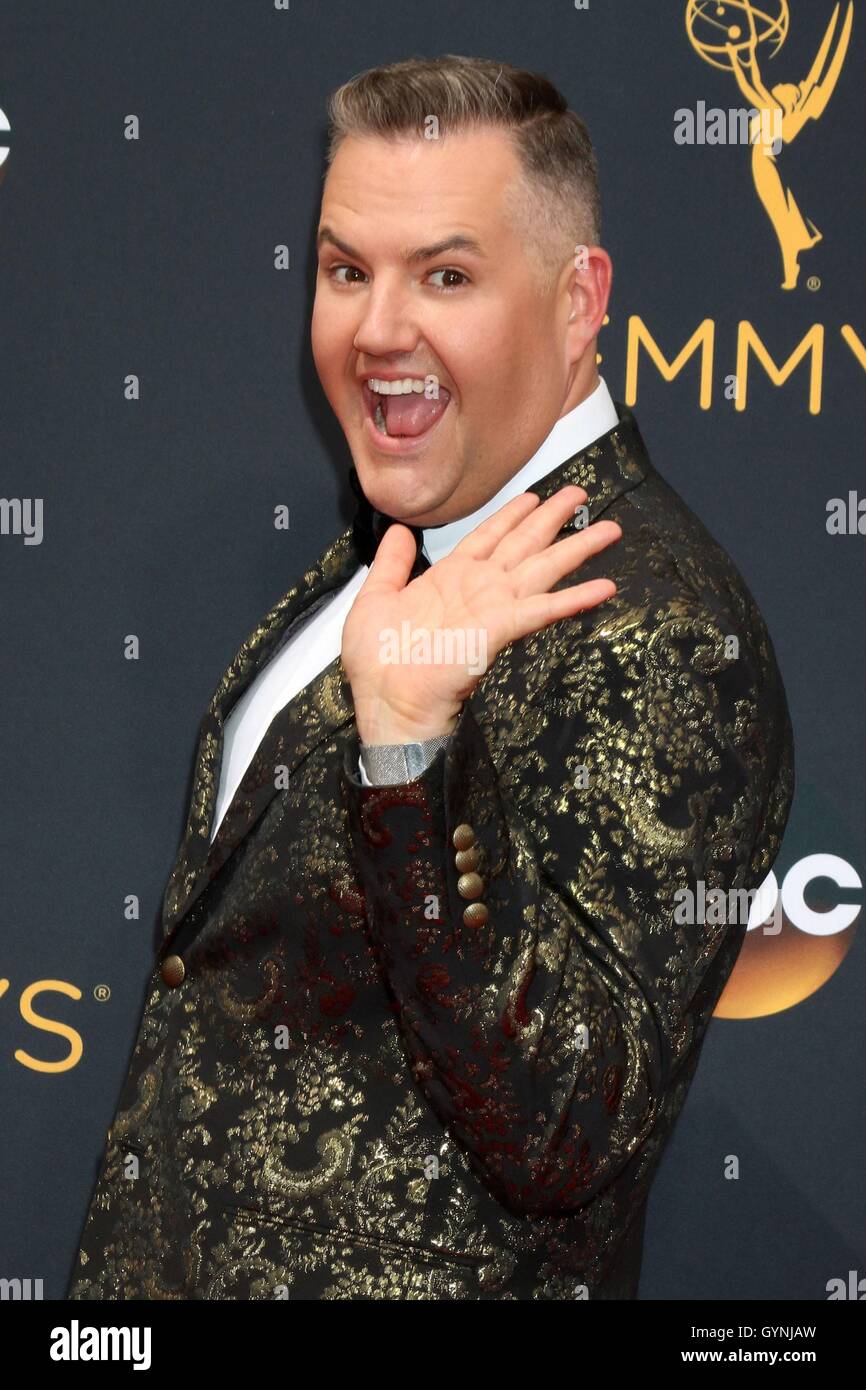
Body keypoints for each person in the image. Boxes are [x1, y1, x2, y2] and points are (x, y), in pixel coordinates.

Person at [67, 54, 794, 1301]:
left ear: (578, 305)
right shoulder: (390, 548)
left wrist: (406, 754)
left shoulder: (661, 625)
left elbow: (570, 1128)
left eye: (444, 276)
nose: (377, 330)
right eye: (347, 270)